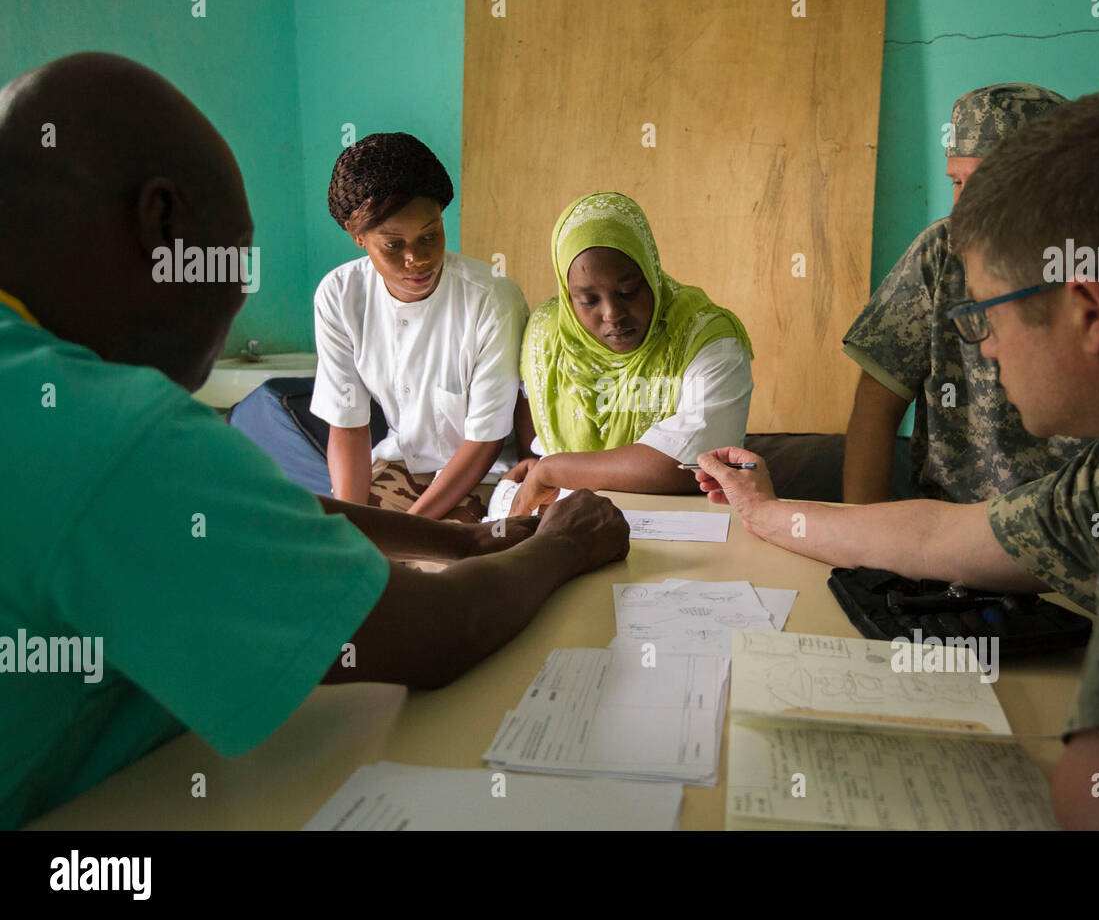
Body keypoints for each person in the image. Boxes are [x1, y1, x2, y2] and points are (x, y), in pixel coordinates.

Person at [0, 53, 628, 830]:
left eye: (429, 236)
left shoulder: (41, 389)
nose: (238, 299)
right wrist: (561, 544)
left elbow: (292, 516)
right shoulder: (113, 432)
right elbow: (432, 633)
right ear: (164, 227)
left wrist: (461, 542)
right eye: (238, 255)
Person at [693, 87, 1099, 830]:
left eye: (983, 314)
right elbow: (947, 537)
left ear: (1089, 311)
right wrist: (765, 510)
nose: (980, 346)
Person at [237, 132, 529, 523]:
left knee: (430, 568)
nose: (417, 259)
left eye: (430, 235)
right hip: (400, 463)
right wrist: (352, 527)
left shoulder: (491, 298)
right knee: (329, 559)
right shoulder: (340, 296)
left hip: (484, 475)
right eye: (393, 245)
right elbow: (349, 426)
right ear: (358, 237)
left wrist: (404, 529)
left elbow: (485, 440)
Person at [842, 84, 1090, 506]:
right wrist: (861, 557)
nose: (965, 210)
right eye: (957, 182)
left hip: (1081, 540)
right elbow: (876, 404)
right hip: (948, 537)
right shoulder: (942, 253)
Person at [506, 192, 754, 515]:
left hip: (683, 536)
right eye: (588, 300)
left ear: (651, 273)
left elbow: (692, 465)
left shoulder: (707, 339)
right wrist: (539, 467)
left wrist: (553, 471)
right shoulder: (549, 335)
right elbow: (534, 438)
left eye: (628, 291)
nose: (612, 314)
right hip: (568, 529)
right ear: (568, 299)